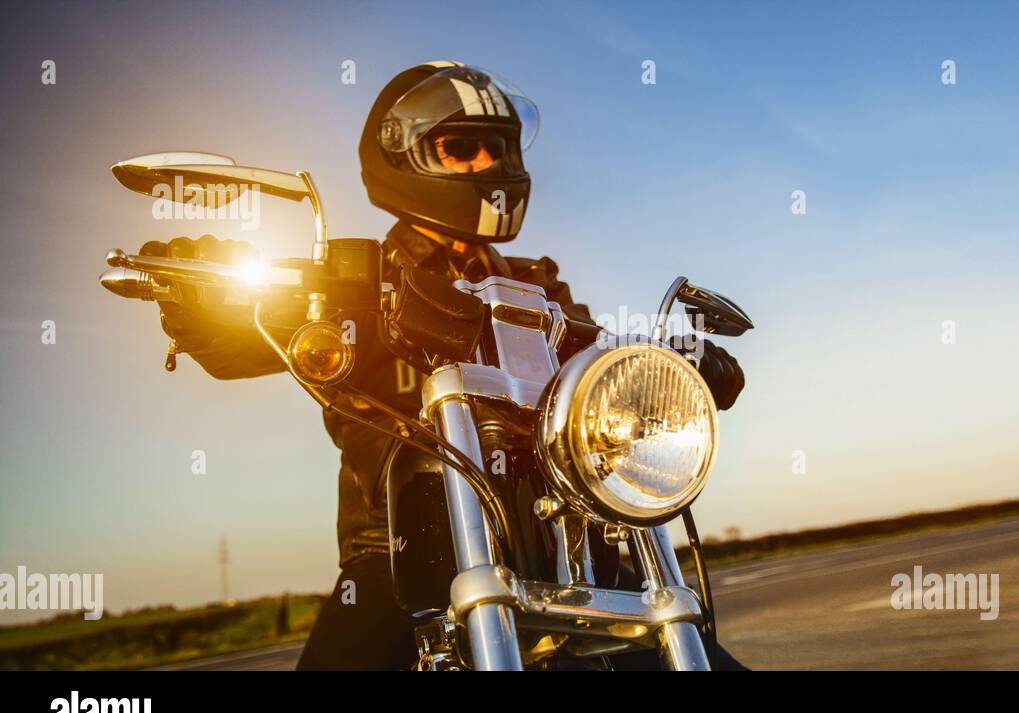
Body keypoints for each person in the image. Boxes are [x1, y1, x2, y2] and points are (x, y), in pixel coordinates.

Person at [143, 62, 745, 669]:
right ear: (402, 156)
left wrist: (672, 361)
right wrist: (201, 307)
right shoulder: (349, 279)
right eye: (460, 147)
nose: (485, 163)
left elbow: (596, 357)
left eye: (497, 148)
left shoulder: (538, 286)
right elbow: (240, 338)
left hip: (563, 539)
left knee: (684, 644)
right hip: (401, 551)